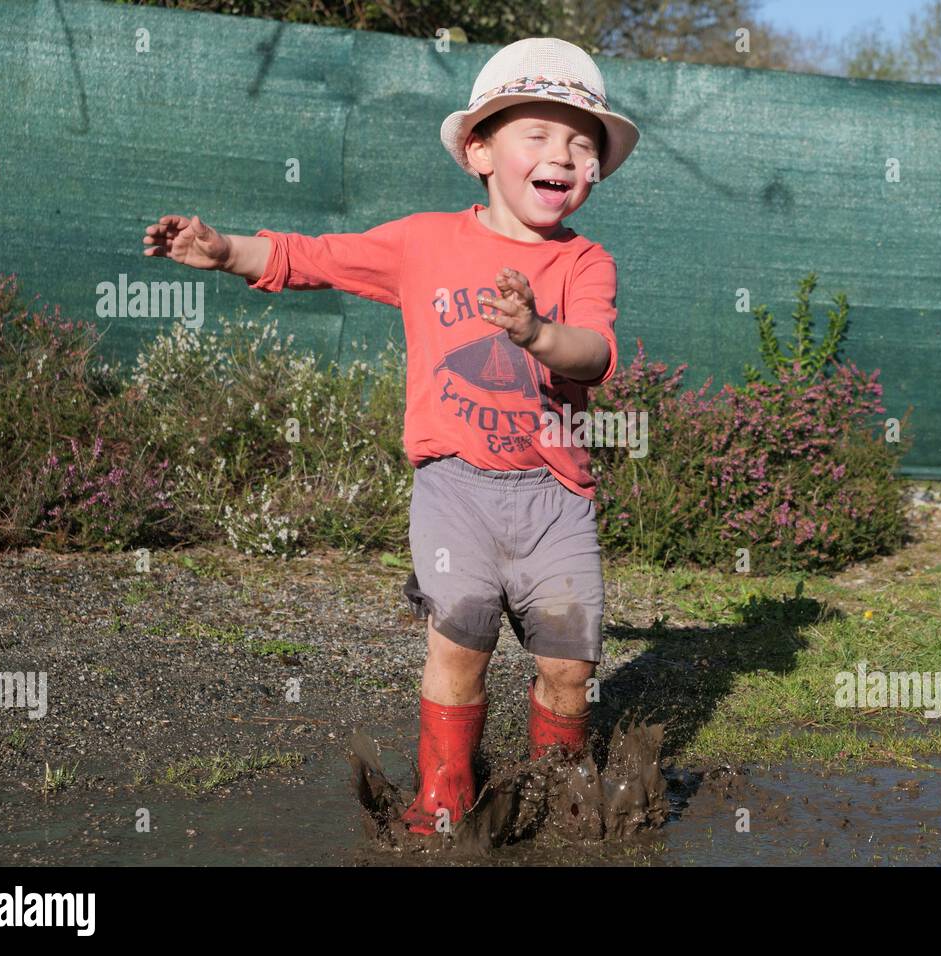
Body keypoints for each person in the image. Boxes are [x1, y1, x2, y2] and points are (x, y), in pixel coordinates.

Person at [141, 37, 640, 835]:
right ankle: (443, 798)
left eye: (583, 145)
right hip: (455, 487)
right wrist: (227, 250)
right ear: (479, 148)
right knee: (459, 644)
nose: (564, 156)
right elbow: (314, 259)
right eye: (539, 136)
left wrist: (538, 333)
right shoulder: (423, 243)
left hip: (555, 497)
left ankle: (556, 798)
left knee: (570, 671)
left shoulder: (586, 263)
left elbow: (597, 353)